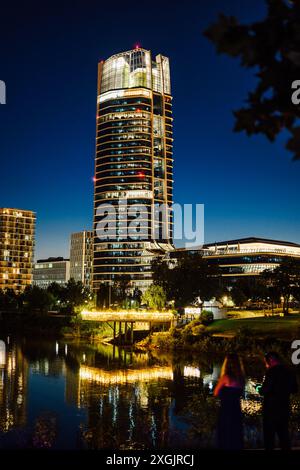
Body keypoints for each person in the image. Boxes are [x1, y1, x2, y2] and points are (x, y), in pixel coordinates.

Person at [259, 351, 298, 451]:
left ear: (271, 360)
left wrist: (259, 388)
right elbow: (294, 389)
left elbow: (264, 390)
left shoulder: (271, 372)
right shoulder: (289, 371)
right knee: (284, 436)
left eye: (266, 362)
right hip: (284, 408)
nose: (266, 364)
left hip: (270, 410)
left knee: (269, 439)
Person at [214, 353, 245, 450]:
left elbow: (216, 392)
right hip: (236, 409)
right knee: (235, 433)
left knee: (225, 433)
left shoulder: (226, 377)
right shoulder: (241, 379)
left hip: (226, 410)